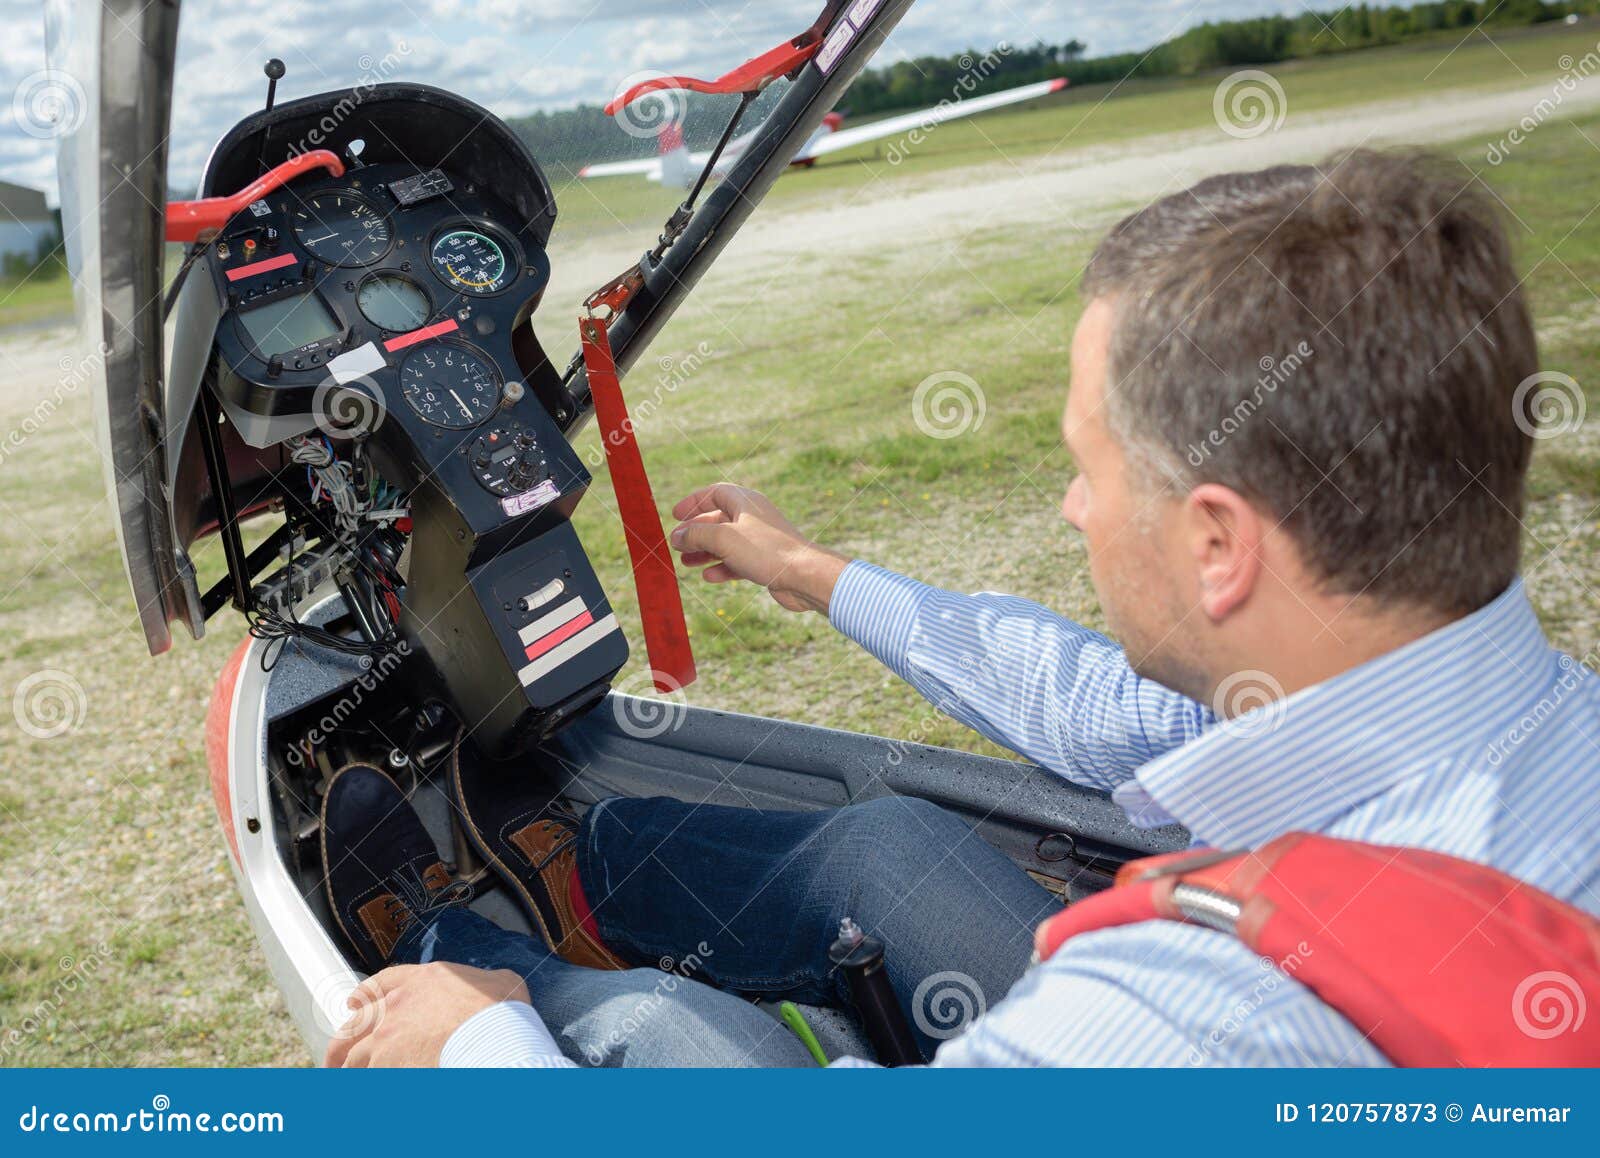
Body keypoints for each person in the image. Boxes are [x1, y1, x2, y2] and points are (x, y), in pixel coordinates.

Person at [322, 149, 1600, 1068]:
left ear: (1219, 544)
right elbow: (1110, 708)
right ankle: (578, 890)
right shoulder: (1518, 722)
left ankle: (456, 954)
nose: (1070, 509)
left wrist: (483, 1045)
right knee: (886, 850)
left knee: (671, 1040)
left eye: (1089, 468)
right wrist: (810, 572)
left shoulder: (1162, 1024)